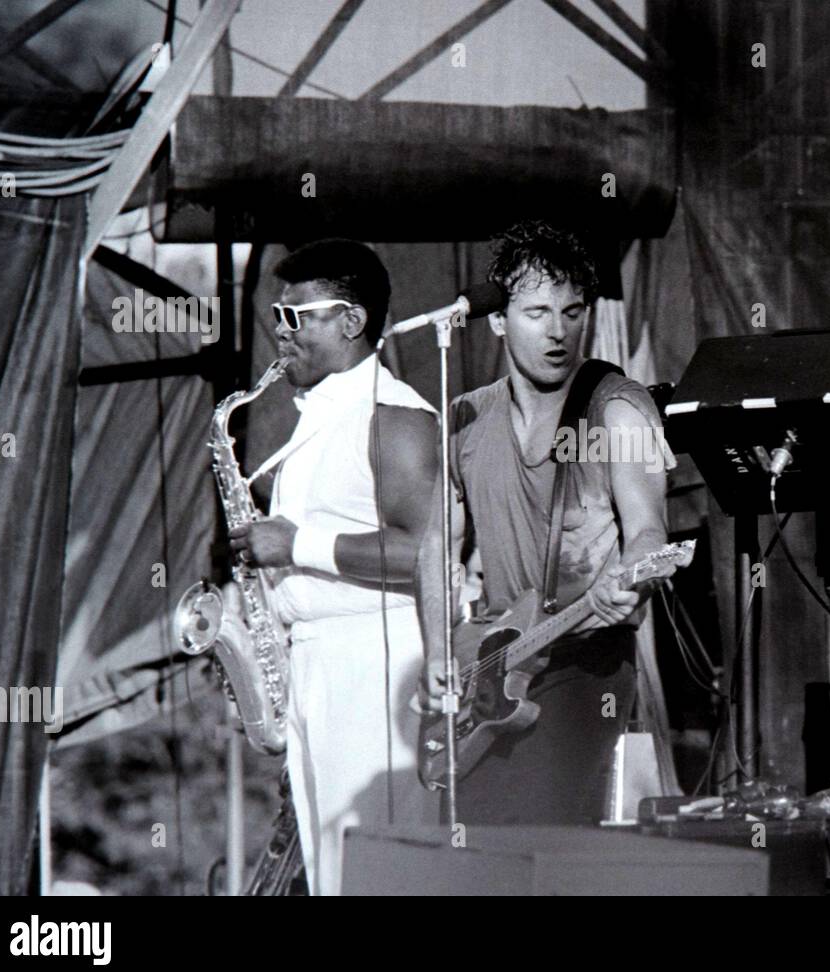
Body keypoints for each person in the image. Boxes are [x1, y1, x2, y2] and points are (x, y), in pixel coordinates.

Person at [418, 220, 672, 824]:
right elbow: (435, 547)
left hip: (586, 663)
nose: (558, 331)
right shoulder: (467, 415)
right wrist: (436, 651)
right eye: (536, 312)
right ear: (499, 319)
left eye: (572, 311)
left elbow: (649, 533)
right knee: (471, 846)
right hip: (494, 664)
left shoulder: (618, 407)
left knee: (537, 839)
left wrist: (631, 579)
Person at [229, 238, 439, 894]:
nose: (278, 330)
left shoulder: (396, 415)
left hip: (375, 668)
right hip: (320, 663)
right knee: (331, 879)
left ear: (351, 321)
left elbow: (428, 553)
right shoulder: (318, 416)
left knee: (378, 877)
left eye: (297, 316)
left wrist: (297, 545)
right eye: (276, 314)